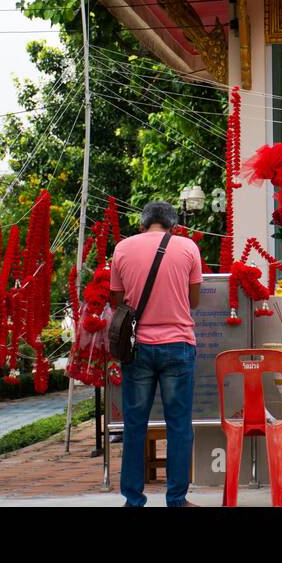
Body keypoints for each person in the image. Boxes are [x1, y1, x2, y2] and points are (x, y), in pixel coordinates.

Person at [110, 199, 202, 507]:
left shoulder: (122, 249)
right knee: (178, 424)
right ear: (173, 226)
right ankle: (176, 499)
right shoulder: (188, 248)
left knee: (135, 424)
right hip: (178, 344)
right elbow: (194, 300)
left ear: (142, 224)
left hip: (137, 348)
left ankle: (133, 500)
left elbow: (119, 301)